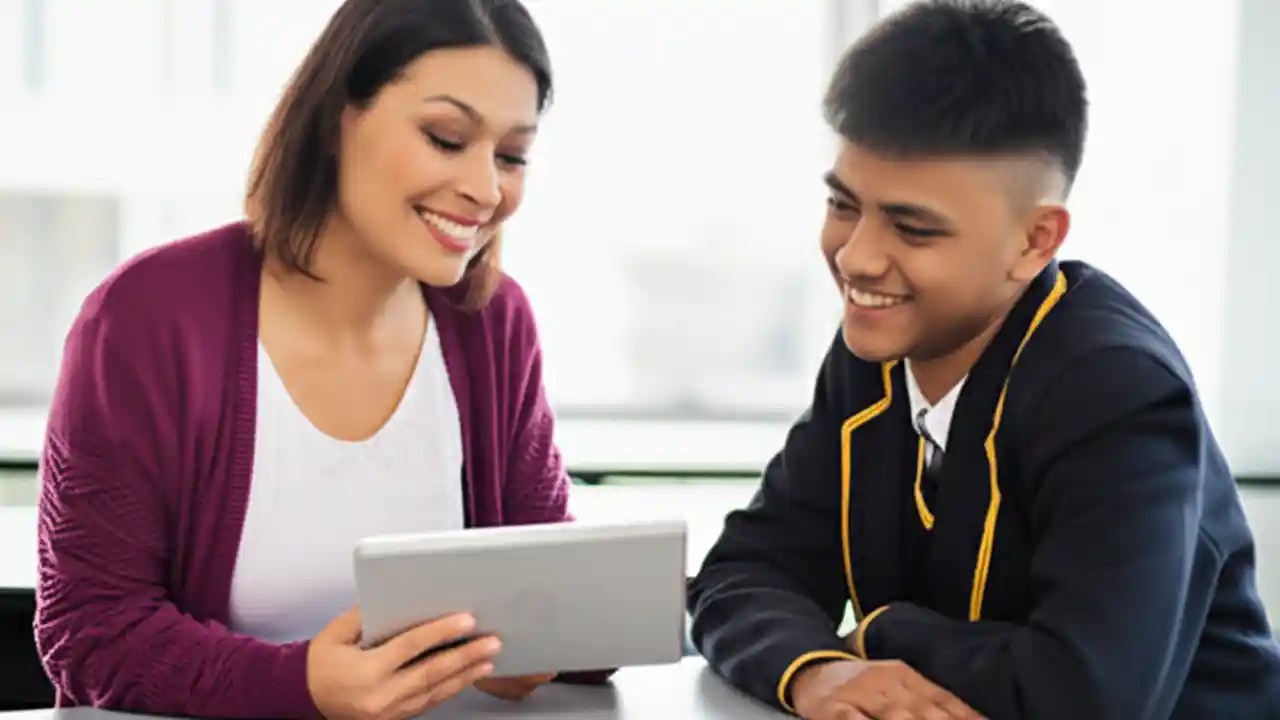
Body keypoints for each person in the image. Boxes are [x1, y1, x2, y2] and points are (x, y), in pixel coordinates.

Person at [687, 2, 1280, 719]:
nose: (855, 256)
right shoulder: (876, 354)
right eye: (844, 205)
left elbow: (1087, 696)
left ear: (1035, 241)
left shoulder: (1118, 393)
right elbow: (742, 574)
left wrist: (881, 633)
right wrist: (815, 670)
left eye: (912, 227)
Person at [34, 1, 606, 718]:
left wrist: (540, 644)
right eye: (446, 137)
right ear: (338, 118)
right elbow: (89, 634)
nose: (488, 190)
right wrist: (302, 685)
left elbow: (551, 591)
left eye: (512, 155)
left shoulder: (491, 322)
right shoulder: (145, 318)